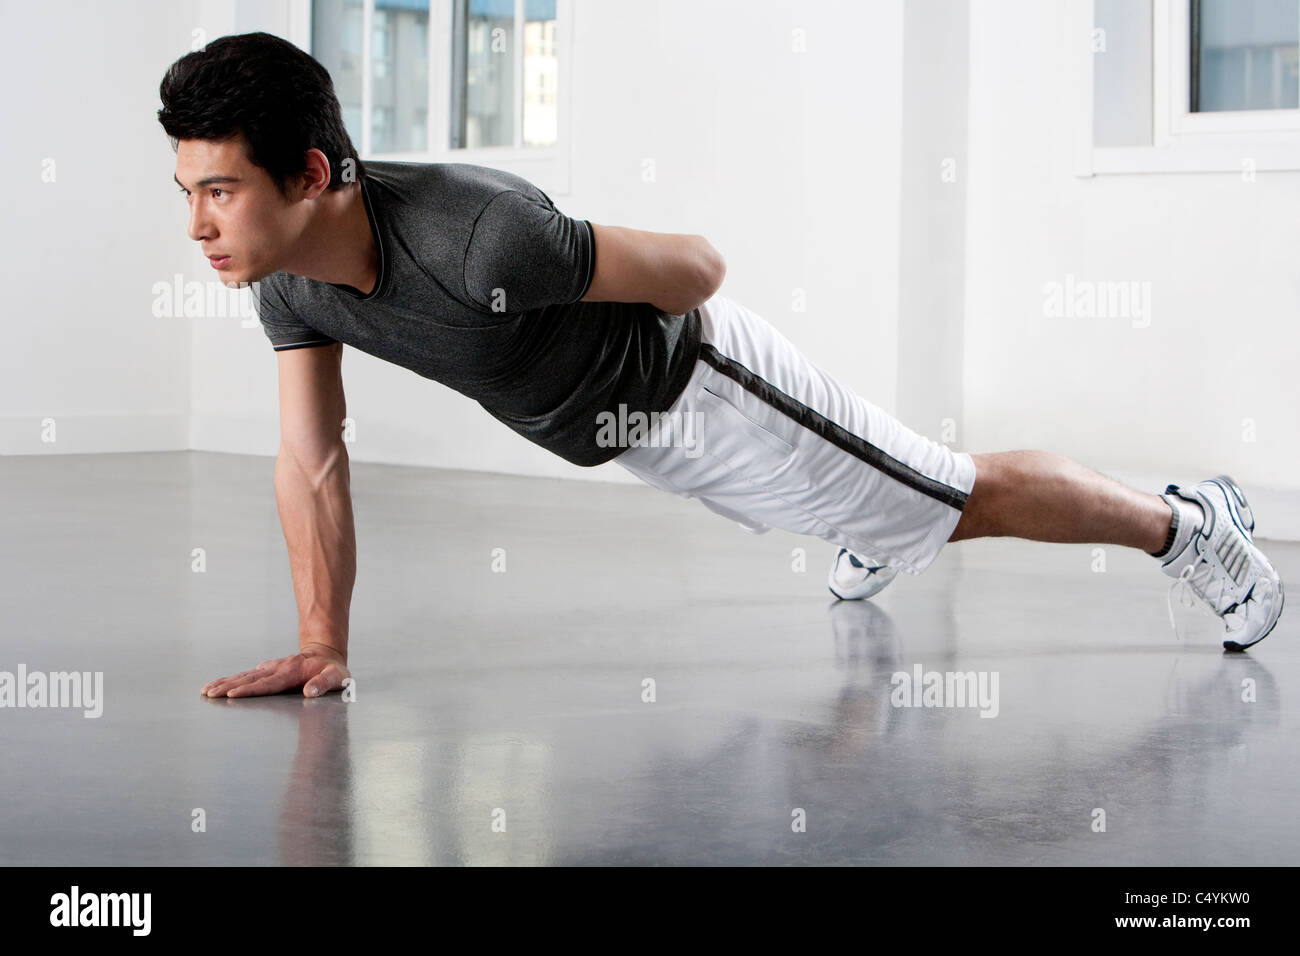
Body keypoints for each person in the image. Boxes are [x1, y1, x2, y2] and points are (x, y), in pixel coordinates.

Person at [159, 33, 1283, 700]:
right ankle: (872, 517)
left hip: (714, 389)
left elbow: (695, 265)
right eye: (189, 194)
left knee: (956, 492)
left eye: (221, 192)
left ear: (308, 173)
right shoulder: (287, 279)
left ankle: (1188, 524)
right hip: (641, 437)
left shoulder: (481, 236)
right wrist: (322, 644)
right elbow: (310, 460)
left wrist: (640, 334)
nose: (201, 226)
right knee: (893, 498)